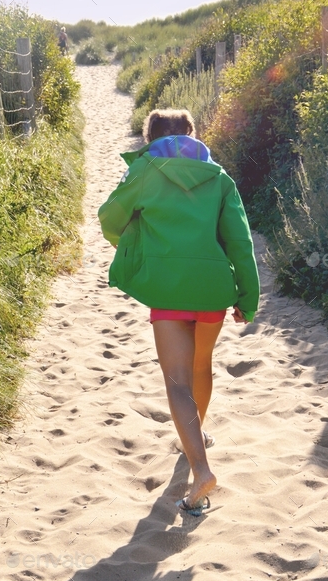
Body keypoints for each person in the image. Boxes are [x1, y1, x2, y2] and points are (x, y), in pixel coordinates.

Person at [97, 109, 259, 515]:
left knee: (176, 383)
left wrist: (136, 239)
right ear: (192, 135)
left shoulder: (146, 171)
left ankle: (200, 469)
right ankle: (195, 439)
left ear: (150, 137)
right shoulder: (220, 178)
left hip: (169, 291)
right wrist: (248, 297)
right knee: (202, 366)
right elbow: (240, 242)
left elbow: (109, 218)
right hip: (213, 293)